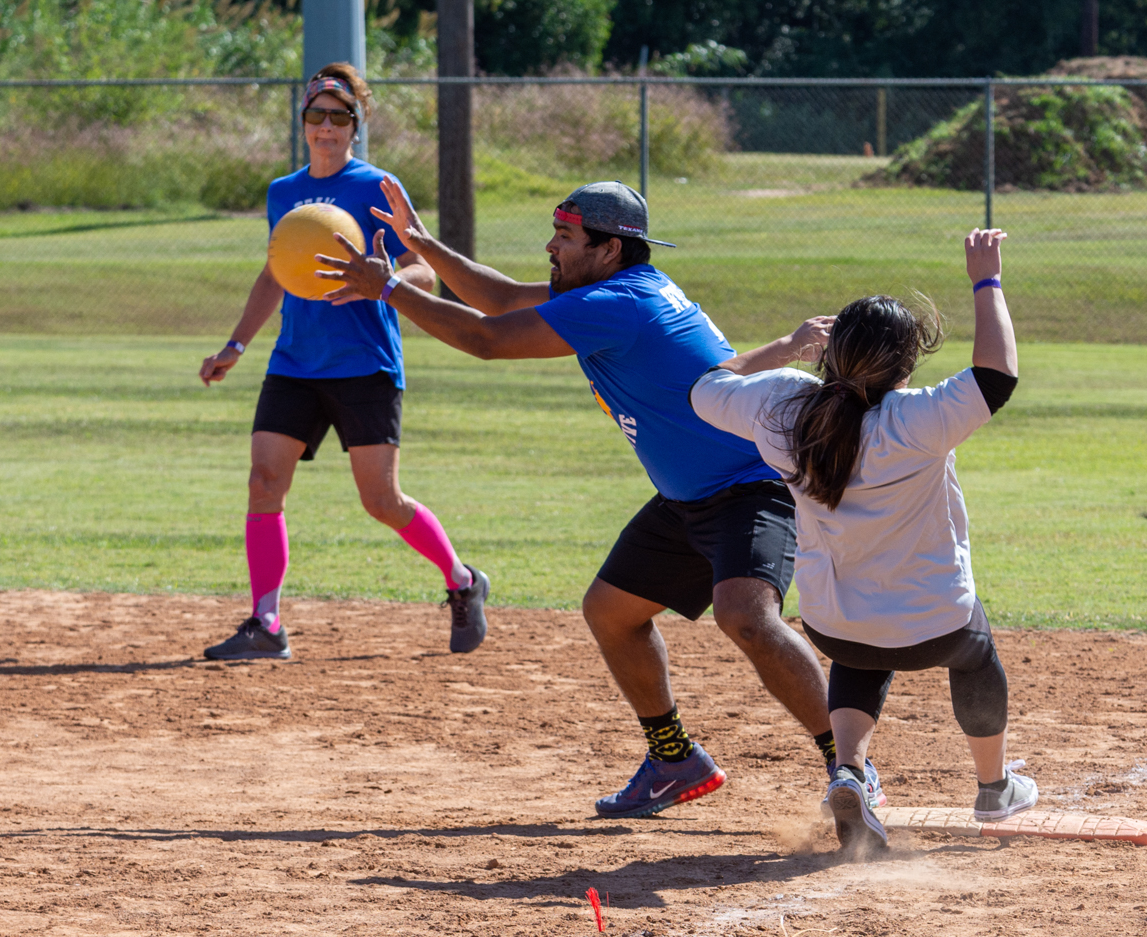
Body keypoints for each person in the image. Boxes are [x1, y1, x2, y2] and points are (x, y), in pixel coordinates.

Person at [318, 179, 873, 818]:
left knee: (745, 615)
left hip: (750, 484)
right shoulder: (613, 288)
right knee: (611, 612)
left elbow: (488, 337)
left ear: (609, 249)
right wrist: (422, 245)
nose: (551, 246)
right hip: (688, 494)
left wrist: (388, 289)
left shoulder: (619, 303)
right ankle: (674, 760)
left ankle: (851, 767)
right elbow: (497, 298)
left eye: (565, 236)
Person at [689, 229, 1036, 854]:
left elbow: (704, 388)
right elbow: (996, 376)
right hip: (937, 623)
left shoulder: (782, 405)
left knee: (860, 652)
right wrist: (988, 281)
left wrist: (784, 347)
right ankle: (994, 789)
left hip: (832, 622)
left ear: (831, 355)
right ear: (907, 364)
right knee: (976, 655)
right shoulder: (919, 420)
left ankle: (849, 770)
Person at [197, 62, 489, 661]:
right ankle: (267, 622)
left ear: (356, 124)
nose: (325, 126)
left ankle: (462, 581)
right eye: (315, 115)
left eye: (338, 116)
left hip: (365, 362)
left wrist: (378, 284)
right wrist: (237, 344)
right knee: (264, 481)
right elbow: (277, 272)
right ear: (303, 122)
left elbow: (424, 270)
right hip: (295, 362)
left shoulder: (378, 186)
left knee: (381, 501)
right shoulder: (284, 192)